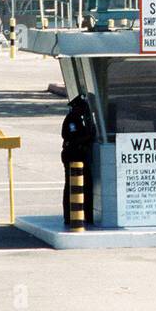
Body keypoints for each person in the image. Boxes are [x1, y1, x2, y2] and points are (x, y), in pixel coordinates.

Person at [60, 96, 96, 224]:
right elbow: (74, 138)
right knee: (73, 185)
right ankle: (70, 216)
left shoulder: (78, 120)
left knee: (84, 185)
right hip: (73, 155)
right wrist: (89, 136)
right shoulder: (72, 121)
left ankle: (84, 214)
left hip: (78, 154)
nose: (84, 111)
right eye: (82, 108)